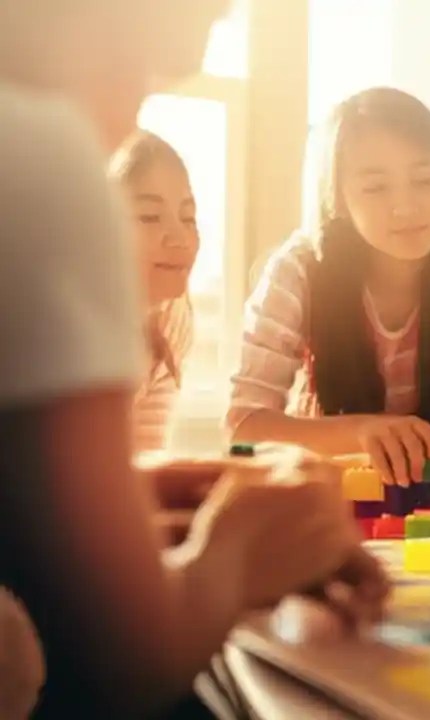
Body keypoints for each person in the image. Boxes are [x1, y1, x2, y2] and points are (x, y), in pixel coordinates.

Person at [0, 3, 387, 717]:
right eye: (146, 70)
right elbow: (124, 661)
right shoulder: (36, 150)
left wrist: (162, 494)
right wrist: (239, 552)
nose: (127, 126)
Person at [226, 87, 430, 488]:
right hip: (318, 496)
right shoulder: (299, 272)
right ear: (338, 200)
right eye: (376, 187)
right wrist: (363, 433)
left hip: (425, 504)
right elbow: (243, 429)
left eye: (425, 180)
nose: (406, 207)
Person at [109, 130, 199, 453]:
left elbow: (142, 463)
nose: (180, 238)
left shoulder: (170, 324)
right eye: (149, 217)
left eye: (188, 217)